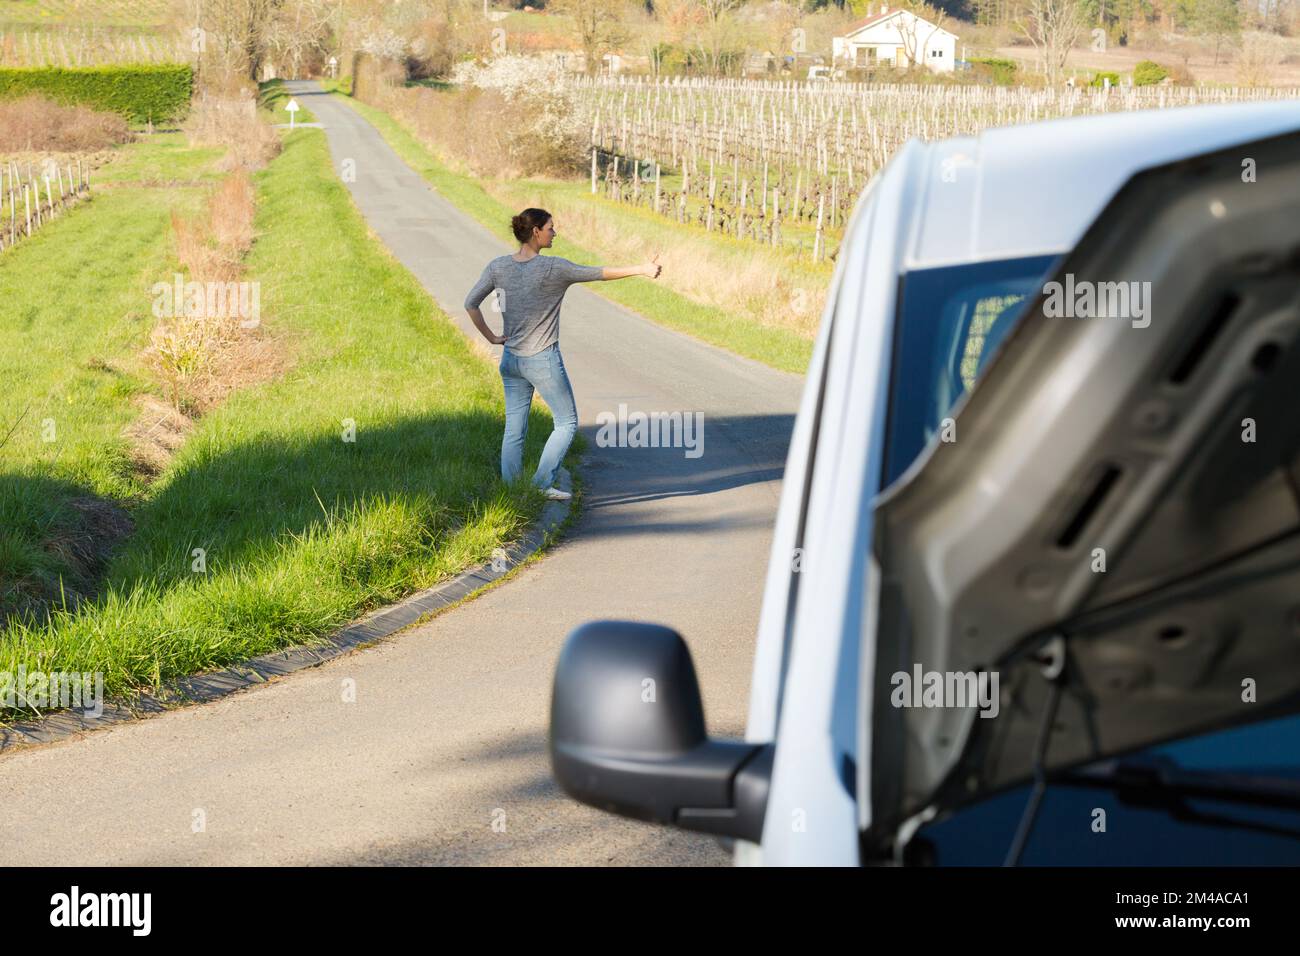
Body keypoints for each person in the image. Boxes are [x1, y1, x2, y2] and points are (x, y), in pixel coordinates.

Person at [464, 207, 662, 500]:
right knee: (566, 423)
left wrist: (493, 337)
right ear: (536, 232)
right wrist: (642, 269)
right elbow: (598, 274)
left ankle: (511, 490)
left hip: (511, 360)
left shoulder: (498, 267)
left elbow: (471, 303)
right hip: (541, 358)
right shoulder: (554, 268)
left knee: (514, 428)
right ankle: (541, 484)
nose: (555, 233)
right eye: (551, 228)